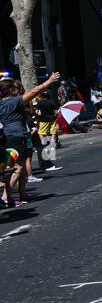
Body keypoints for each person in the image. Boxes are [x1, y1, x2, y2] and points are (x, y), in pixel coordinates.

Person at [0, 71, 59, 207]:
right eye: (14, 87)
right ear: (10, 90)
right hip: (15, 138)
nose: (17, 89)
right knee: (18, 169)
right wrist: (48, 82)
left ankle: (23, 194)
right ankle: (5, 197)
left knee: (20, 168)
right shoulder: (13, 102)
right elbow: (33, 92)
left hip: (11, 137)